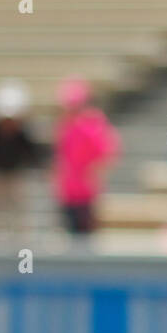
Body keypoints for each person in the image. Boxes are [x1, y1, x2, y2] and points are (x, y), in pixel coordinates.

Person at [0, 80, 43, 243]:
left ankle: (20, 244)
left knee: (19, 211)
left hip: (15, 175)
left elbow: (35, 155)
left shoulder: (24, 134)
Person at [52, 77, 120, 236]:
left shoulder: (92, 124)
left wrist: (92, 171)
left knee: (84, 234)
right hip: (68, 190)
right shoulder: (65, 125)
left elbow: (107, 152)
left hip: (86, 192)